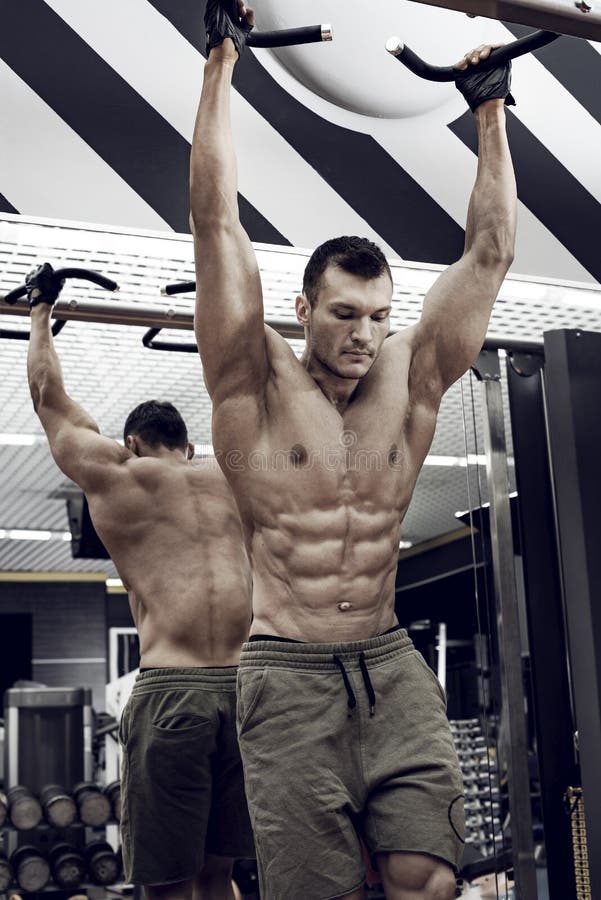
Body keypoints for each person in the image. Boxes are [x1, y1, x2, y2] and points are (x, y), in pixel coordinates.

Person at [190, 3, 517, 898]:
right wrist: (222, 64)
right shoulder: (249, 383)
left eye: (378, 316)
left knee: (429, 878)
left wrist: (488, 115)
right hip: (284, 675)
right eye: (344, 315)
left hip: (388, 659)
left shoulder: (410, 377)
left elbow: (486, 255)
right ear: (303, 309)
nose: (365, 335)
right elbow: (216, 222)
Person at [26, 266, 255, 900]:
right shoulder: (233, 475)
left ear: (132, 442)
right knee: (221, 875)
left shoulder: (119, 478)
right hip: (248, 687)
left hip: (174, 692)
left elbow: (50, 402)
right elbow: (266, 389)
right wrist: (231, 304)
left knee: (165, 884)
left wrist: (41, 311)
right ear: (186, 445)